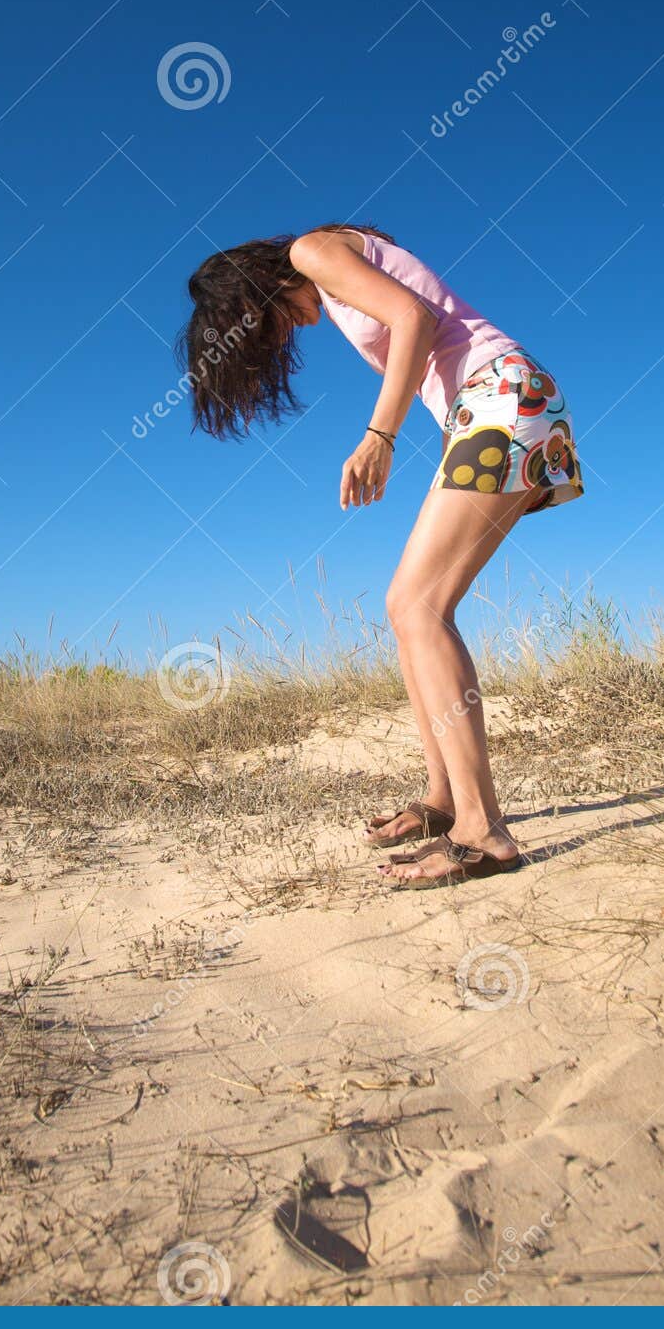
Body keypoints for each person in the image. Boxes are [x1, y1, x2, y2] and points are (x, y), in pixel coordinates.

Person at [179, 224, 583, 886]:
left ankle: (482, 831)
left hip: (502, 400)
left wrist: (378, 437)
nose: (277, 338)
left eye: (258, 324)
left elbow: (413, 317)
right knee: (412, 610)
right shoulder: (335, 273)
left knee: (418, 606)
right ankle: (442, 800)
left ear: (260, 291)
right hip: (498, 405)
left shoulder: (311, 252)